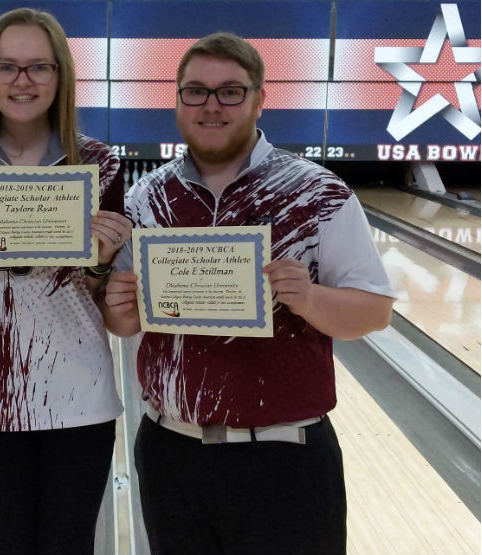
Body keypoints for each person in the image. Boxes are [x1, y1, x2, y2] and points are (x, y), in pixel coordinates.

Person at [104, 33, 396, 555]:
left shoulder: (318, 193)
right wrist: (121, 308)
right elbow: (125, 323)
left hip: (284, 460)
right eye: (196, 91)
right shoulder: (146, 197)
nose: (211, 105)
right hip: (170, 453)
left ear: (260, 99)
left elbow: (374, 311)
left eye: (231, 91)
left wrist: (309, 299)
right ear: (178, 100)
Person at [0, 8, 132, 554]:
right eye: (7, 67)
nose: (23, 80)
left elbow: (105, 293)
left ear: (60, 75)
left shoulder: (99, 163)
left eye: (39, 66)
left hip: (81, 391)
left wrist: (101, 262)